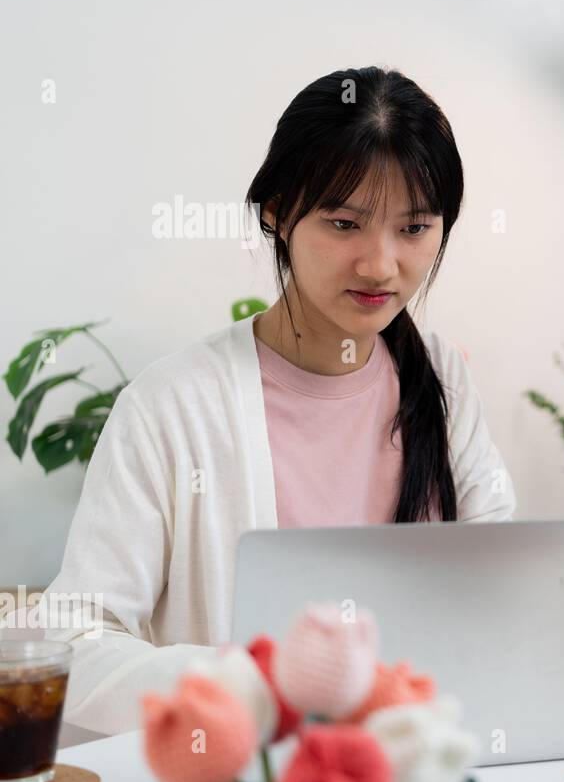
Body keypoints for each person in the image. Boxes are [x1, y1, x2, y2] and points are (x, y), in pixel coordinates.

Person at [33, 66, 516, 736]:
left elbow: (499, 595)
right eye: (345, 224)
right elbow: (75, 643)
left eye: (414, 229)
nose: (380, 265)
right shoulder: (171, 406)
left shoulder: (444, 384)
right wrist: (256, 684)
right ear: (277, 211)